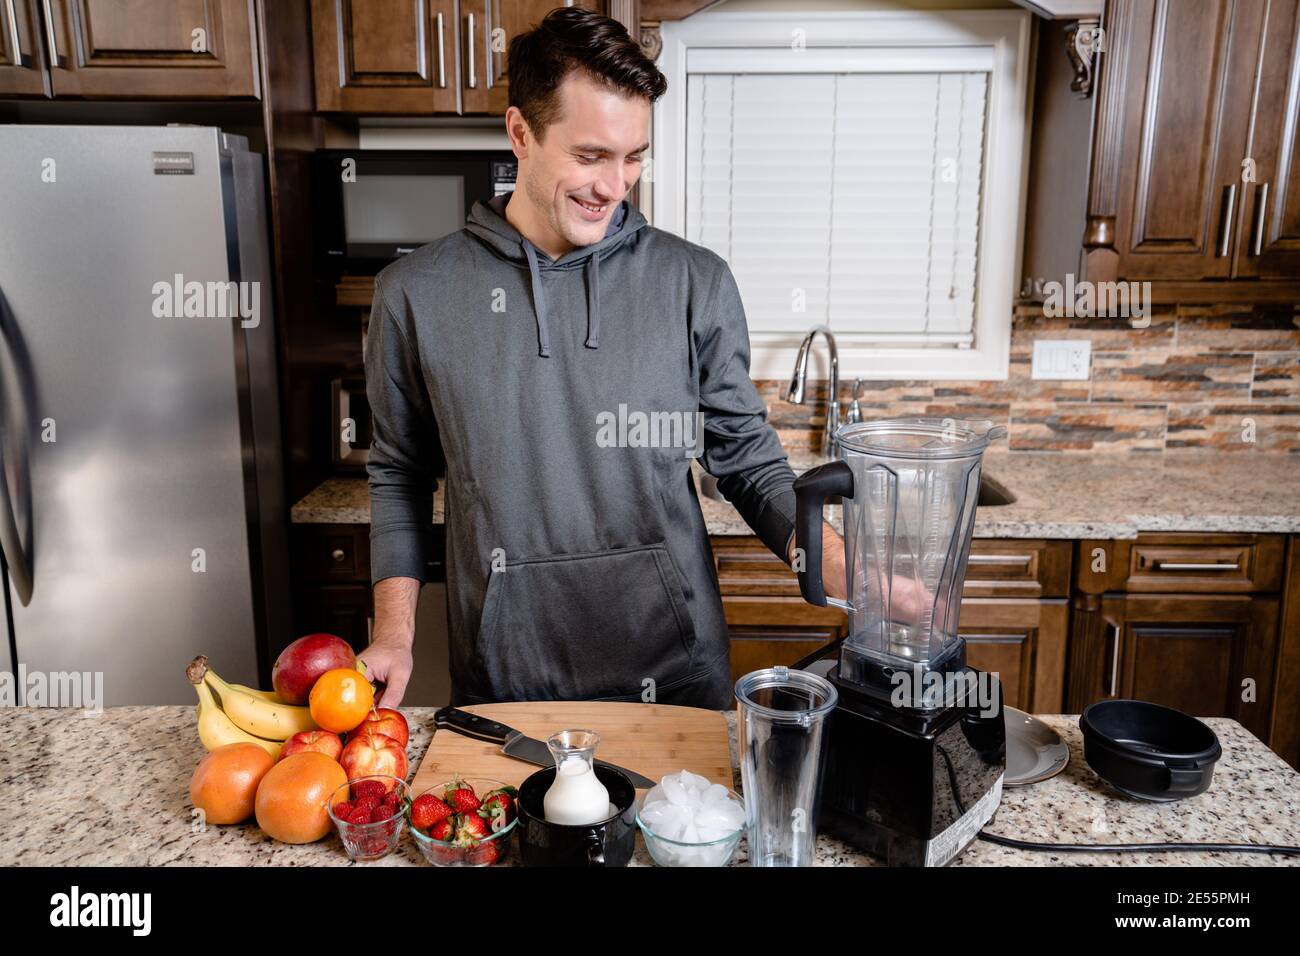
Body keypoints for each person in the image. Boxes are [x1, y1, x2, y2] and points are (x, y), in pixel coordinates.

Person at [359, 7, 845, 708]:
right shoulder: (415, 294)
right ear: (520, 133)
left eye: (633, 157)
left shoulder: (693, 282)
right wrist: (396, 634)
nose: (615, 186)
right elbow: (399, 476)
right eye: (590, 156)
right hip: (507, 679)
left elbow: (745, 460)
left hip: (675, 675)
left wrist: (830, 557)